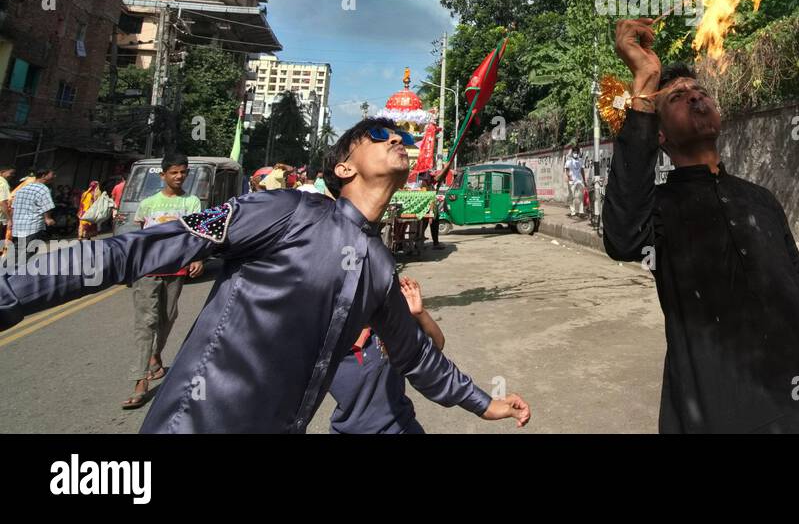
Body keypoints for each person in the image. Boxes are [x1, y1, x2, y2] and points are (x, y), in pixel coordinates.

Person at [0, 117, 531, 433]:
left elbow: (416, 356)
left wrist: (484, 403)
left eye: (399, 135)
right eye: (378, 133)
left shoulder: (380, 267)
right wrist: (11, 290)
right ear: (344, 168)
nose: (396, 138)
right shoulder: (281, 209)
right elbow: (133, 251)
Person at [603, 18, 799, 433]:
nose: (696, 98)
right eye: (677, 97)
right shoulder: (659, 211)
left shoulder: (761, 202)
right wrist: (645, 80)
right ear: (659, 135)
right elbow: (622, 238)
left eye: (701, 92)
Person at [123, 152, 205, 410]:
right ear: (163, 175)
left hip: (177, 269)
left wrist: (198, 258)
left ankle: (156, 356)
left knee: (167, 317)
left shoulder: (192, 202)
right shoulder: (148, 204)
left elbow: (196, 234)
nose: (179, 176)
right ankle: (140, 380)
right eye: (174, 172)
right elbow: (138, 235)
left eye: (183, 172)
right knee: (145, 323)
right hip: (147, 269)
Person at [329, 277, 444, 434]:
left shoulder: (387, 327)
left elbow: (437, 345)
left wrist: (419, 314)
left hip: (402, 427)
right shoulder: (323, 345)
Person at [7, 168, 57, 257]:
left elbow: (14, 207)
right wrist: (48, 218)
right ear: (43, 176)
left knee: (16, 251)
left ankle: (7, 269)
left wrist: (10, 221)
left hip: (18, 226)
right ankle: (22, 269)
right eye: (52, 174)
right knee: (29, 252)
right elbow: (46, 206)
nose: (54, 176)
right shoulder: (43, 189)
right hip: (32, 227)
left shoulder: (23, 189)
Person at [565, 147, 586, 219]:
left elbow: (582, 170)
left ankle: (581, 212)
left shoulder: (580, 160)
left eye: (576, 152)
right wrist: (569, 176)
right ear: (572, 153)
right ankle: (573, 212)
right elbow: (567, 169)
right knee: (572, 196)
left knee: (581, 196)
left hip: (579, 180)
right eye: (574, 152)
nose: (575, 153)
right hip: (572, 181)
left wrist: (584, 180)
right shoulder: (569, 161)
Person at [0, 166, 15, 242]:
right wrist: (9, 219)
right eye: (11, 173)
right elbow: (3, 202)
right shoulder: (3, 183)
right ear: (3, 172)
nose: (12, 176)